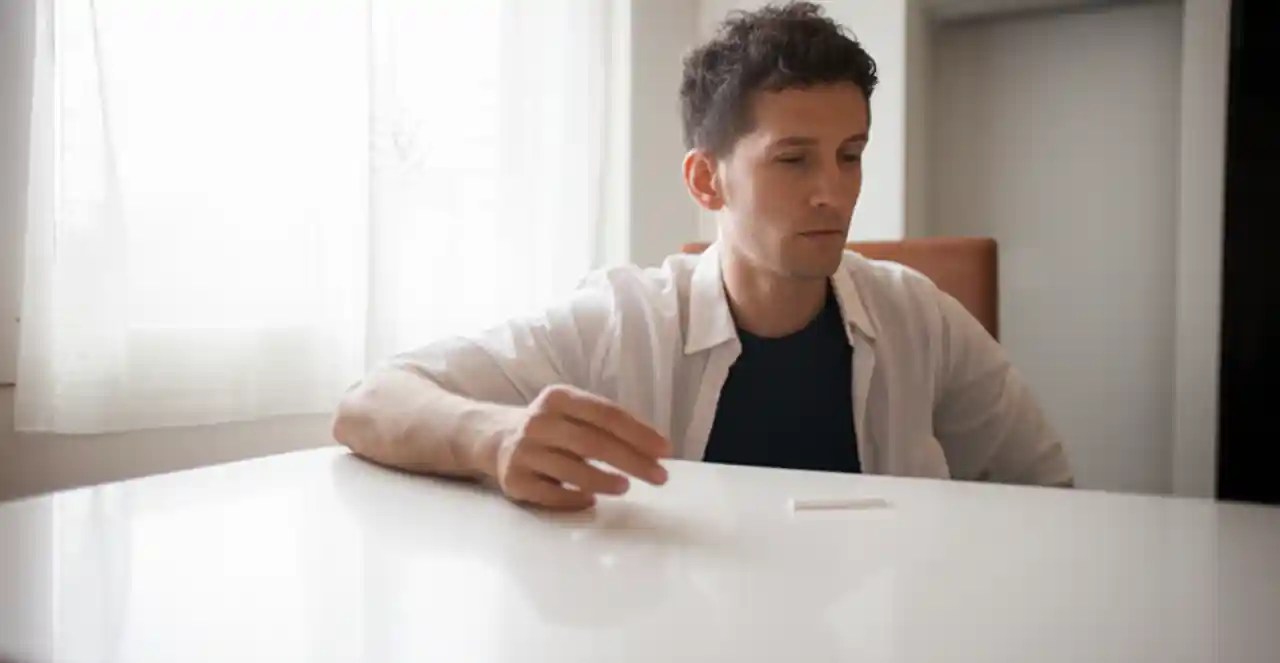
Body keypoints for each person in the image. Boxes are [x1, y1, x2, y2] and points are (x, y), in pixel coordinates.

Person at [333, 2, 1072, 511]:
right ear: (705, 178)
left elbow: (1046, 489)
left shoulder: (919, 317)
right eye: (793, 160)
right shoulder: (623, 322)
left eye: (850, 156)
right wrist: (493, 438)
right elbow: (370, 402)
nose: (833, 193)